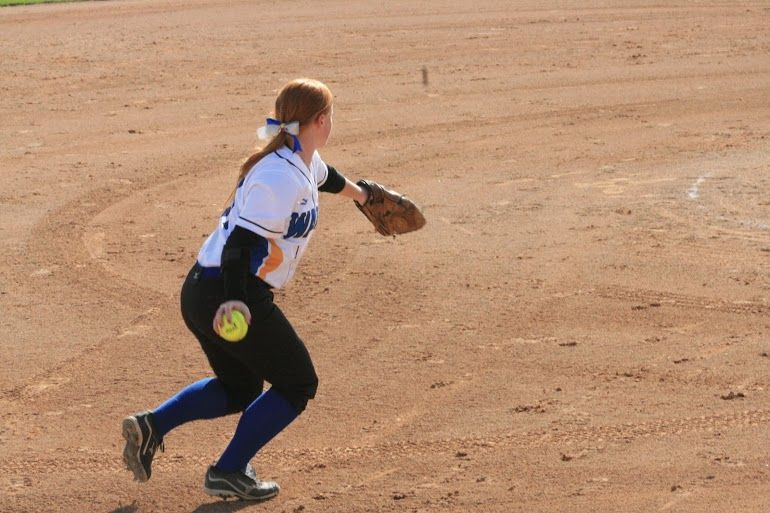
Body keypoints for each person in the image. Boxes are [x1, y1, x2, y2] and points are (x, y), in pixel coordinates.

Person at [121, 78, 372, 501]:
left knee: (240, 388)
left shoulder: (299, 158)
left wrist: (362, 196)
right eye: (331, 115)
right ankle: (228, 471)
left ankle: (153, 426)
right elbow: (239, 245)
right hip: (228, 292)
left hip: (206, 289)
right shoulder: (279, 177)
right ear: (319, 120)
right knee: (298, 383)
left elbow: (326, 177)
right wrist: (236, 299)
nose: (333, 122)